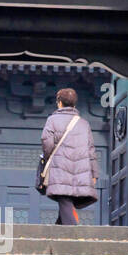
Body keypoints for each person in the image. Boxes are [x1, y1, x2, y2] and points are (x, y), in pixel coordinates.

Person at [40, 88, 99, 225]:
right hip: (81, 169)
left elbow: (47, 143)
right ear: (74, 104)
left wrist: (47, 158)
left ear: (59, 103)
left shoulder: (52, 120)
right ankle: (58, 232)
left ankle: (72, 233)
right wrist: (94, 173)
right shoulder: (84, 124)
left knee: (64, 197)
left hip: (60, 167)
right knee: (66, 199)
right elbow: (91, 149)